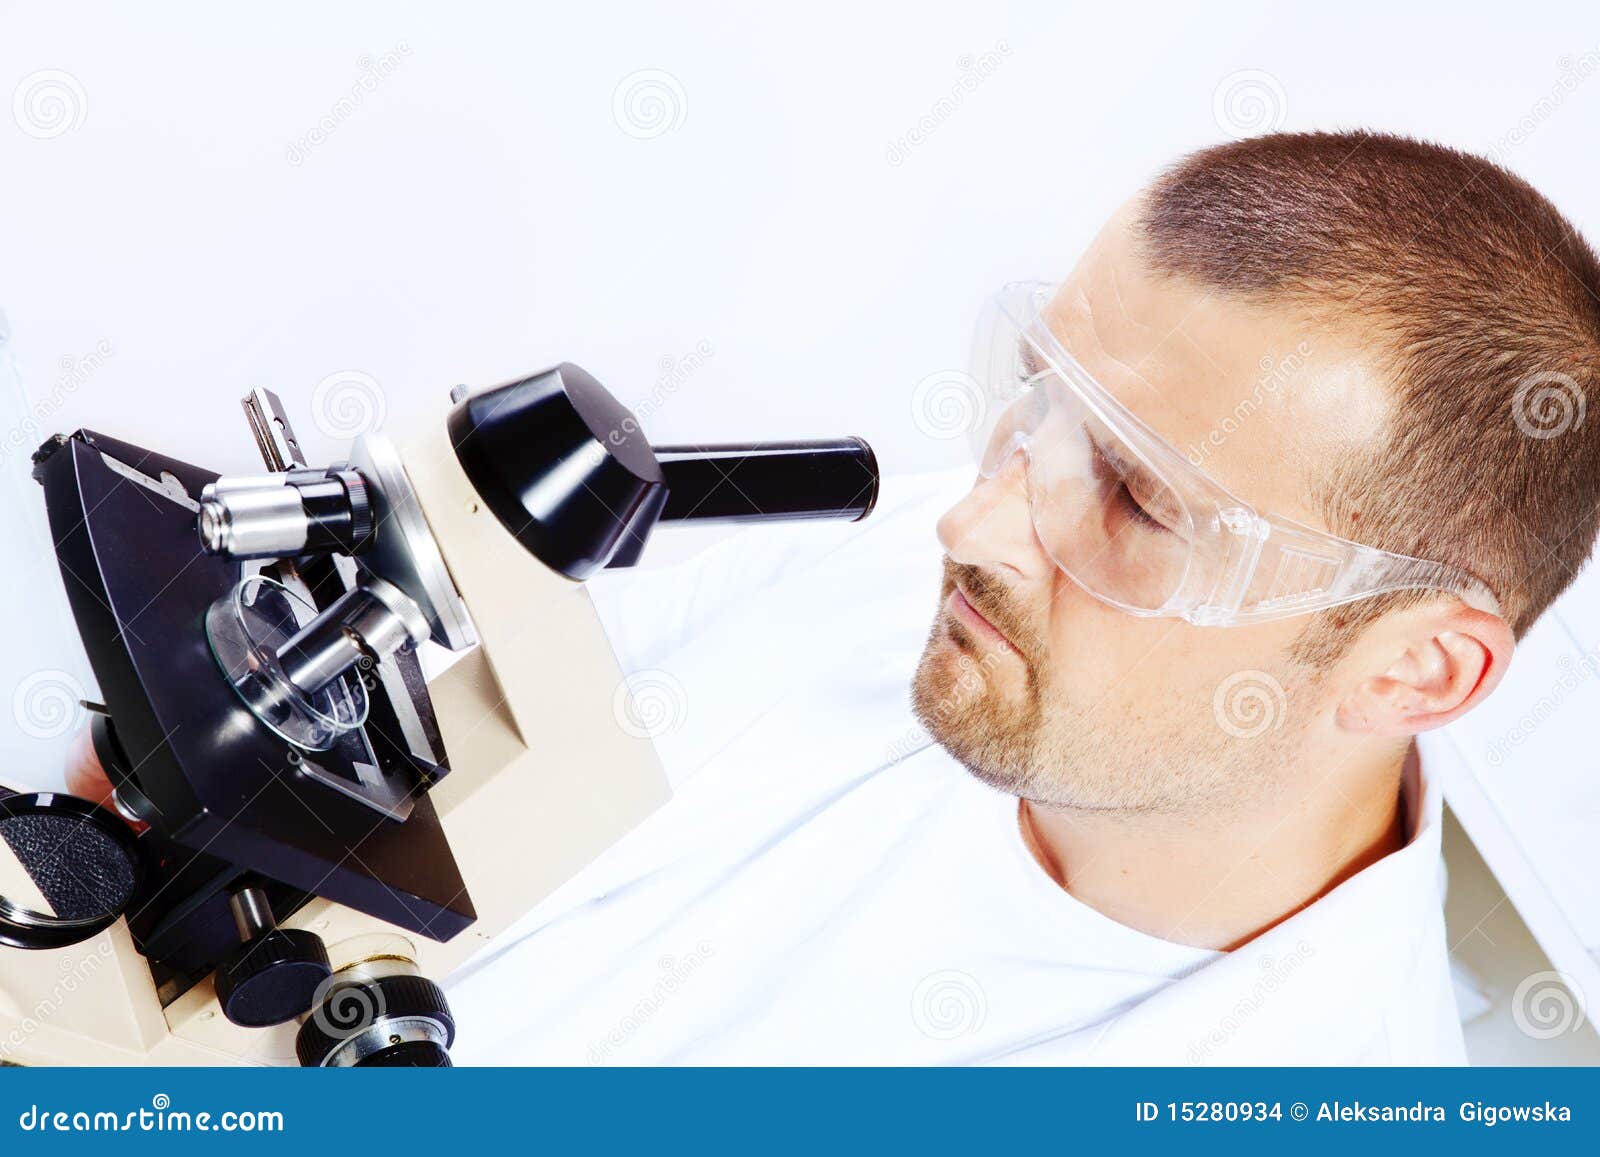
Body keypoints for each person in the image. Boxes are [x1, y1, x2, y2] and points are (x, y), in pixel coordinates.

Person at [71, 130, 1600, 1064]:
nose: (981, 518)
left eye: (1138, 499)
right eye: (1038, 400)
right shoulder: (901, 569)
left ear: (1415, 670)